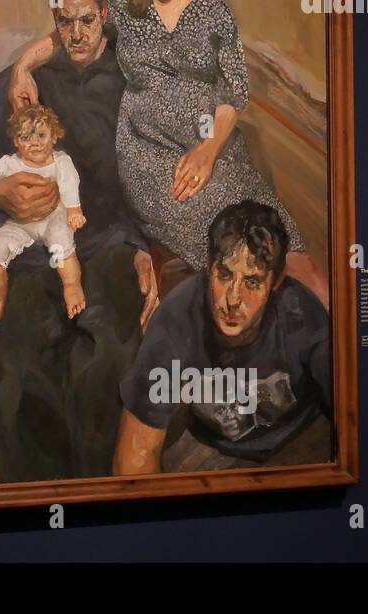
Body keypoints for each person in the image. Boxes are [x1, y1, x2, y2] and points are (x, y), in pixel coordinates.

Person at [9, 0, 315, 284]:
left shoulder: (215, 13)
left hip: (213, 147)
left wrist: (207, 151)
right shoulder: (124, 2)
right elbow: (72, 31)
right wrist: (22, 66)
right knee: (236, 247)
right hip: (149, 154)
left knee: (286, 247)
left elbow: (235, 90)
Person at [0, 0, 158, 483]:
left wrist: (141, 245)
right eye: (66, 23)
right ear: (54, 24)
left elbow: (156, 170)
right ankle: (35, 499)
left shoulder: (130, 72)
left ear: (104, 16)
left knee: (107, 353)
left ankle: (95, 497)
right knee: (18, 354)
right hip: (37, 244)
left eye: (87, 20)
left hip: (109, 240)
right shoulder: (30, 80)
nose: (78, 33)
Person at [113, 201, 331, 474]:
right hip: (215, 448)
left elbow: (352, 418)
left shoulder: (302, 315)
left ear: (275, 282)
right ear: (208, 267)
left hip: (302, 436)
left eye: (252, 282)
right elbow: (136, 453)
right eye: (225, 275)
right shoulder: (175, 321)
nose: (232, 299)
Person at [0, 104, 86, 331]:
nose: (35, 142)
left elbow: (70, 183)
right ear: (15, 141)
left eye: (41, 135)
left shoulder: (60, 162)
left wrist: (73, 209)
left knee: (61, 239)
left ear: (54, 136)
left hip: (54, 217)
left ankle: (72, 285)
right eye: (26, 136)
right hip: (20, 224)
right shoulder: (9, 163)